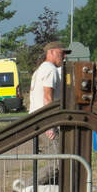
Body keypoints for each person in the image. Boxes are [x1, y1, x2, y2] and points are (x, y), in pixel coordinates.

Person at [29, 41, 68, 183]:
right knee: (58, 163)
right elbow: (47, 97)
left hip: (38, 121)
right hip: (45, 123)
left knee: (58, 161)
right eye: (61, 53)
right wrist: (50, 125)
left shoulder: (41, 69)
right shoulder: (50, 70)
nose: (64, 57)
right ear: (50, 52)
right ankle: (25, 188)